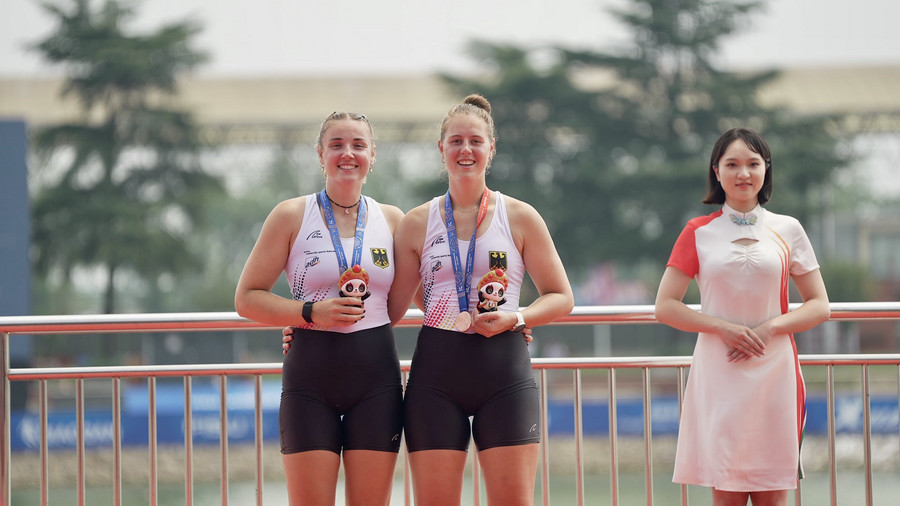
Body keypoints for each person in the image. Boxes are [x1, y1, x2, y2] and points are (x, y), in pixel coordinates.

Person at [387, 94, 575, 506]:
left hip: (504, 374)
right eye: (455, 141)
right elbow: (388, 307)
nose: (465, 150)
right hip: (435, 377)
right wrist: (309, 326)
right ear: (441, 149)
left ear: (491, 149)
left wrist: (518, 317)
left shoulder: (521, 216)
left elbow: (562, 297)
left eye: (475, 140)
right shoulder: (417, 222)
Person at [234, 112, 404, 506]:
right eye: (337, 145)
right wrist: (308, 312)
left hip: (376, 383)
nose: (348, 154)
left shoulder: (394, 220)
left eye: (358, 145)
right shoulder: (291, 215)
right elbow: (247, 298)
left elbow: (430, 298)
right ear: (320, 154)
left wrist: (507, 323)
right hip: (310, 384)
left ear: (373, 155)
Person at [654, 127, 830, 506]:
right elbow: (666, 305)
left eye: (753, 164)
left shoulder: (788, 229)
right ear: (716, 172)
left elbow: (819, 305)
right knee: (727, 493)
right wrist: (722, 328)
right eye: (731, 164)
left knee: (773, 495)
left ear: (766, 170)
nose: (743, 173)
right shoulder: (697, 232)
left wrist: (770, 328)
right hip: (721, 374)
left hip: (775, 374)